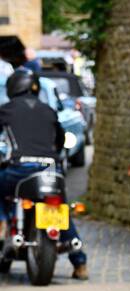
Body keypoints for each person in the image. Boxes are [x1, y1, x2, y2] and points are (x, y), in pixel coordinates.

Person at [0, 67, 89, 279]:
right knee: (59, 210)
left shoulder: (6, 110)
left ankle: (2, 222)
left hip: (20, 169)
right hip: (51, 170)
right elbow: (59, 142)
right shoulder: (49, 111)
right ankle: (80, 263)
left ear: (13, 88)